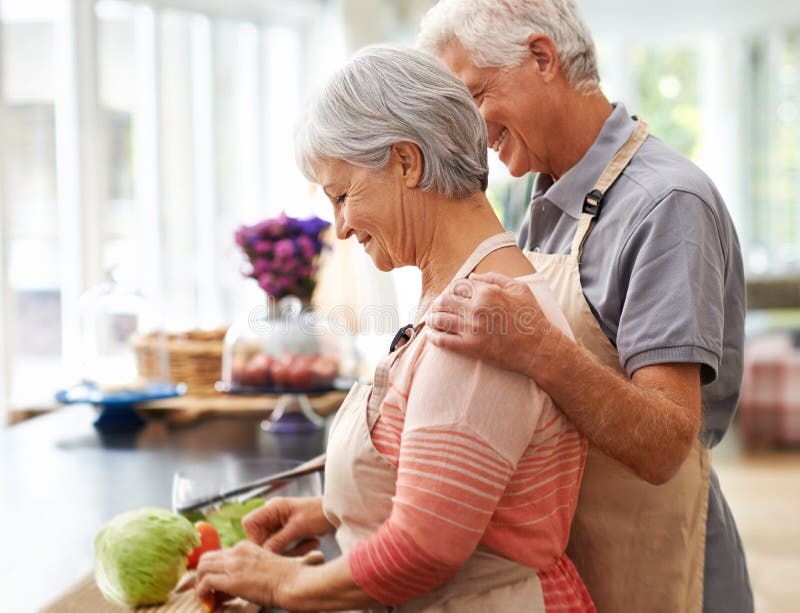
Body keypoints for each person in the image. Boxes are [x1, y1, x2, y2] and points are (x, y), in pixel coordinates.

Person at [195, 45, 595, 612]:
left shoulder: (481, 321)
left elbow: (425, 548)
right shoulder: (463, 290)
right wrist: (337, 509)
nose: (340, 225)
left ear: (406, 161)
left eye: (342, 195)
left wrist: (279, 583)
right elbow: (455, 489)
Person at [416, 1, 753, 612]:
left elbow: (664, 444)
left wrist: (536, 349)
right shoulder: (537, 198)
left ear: (541, 58)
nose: (469, 127)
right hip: (572, 559)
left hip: (656, 558)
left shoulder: (666, 204)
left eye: (475, 96)